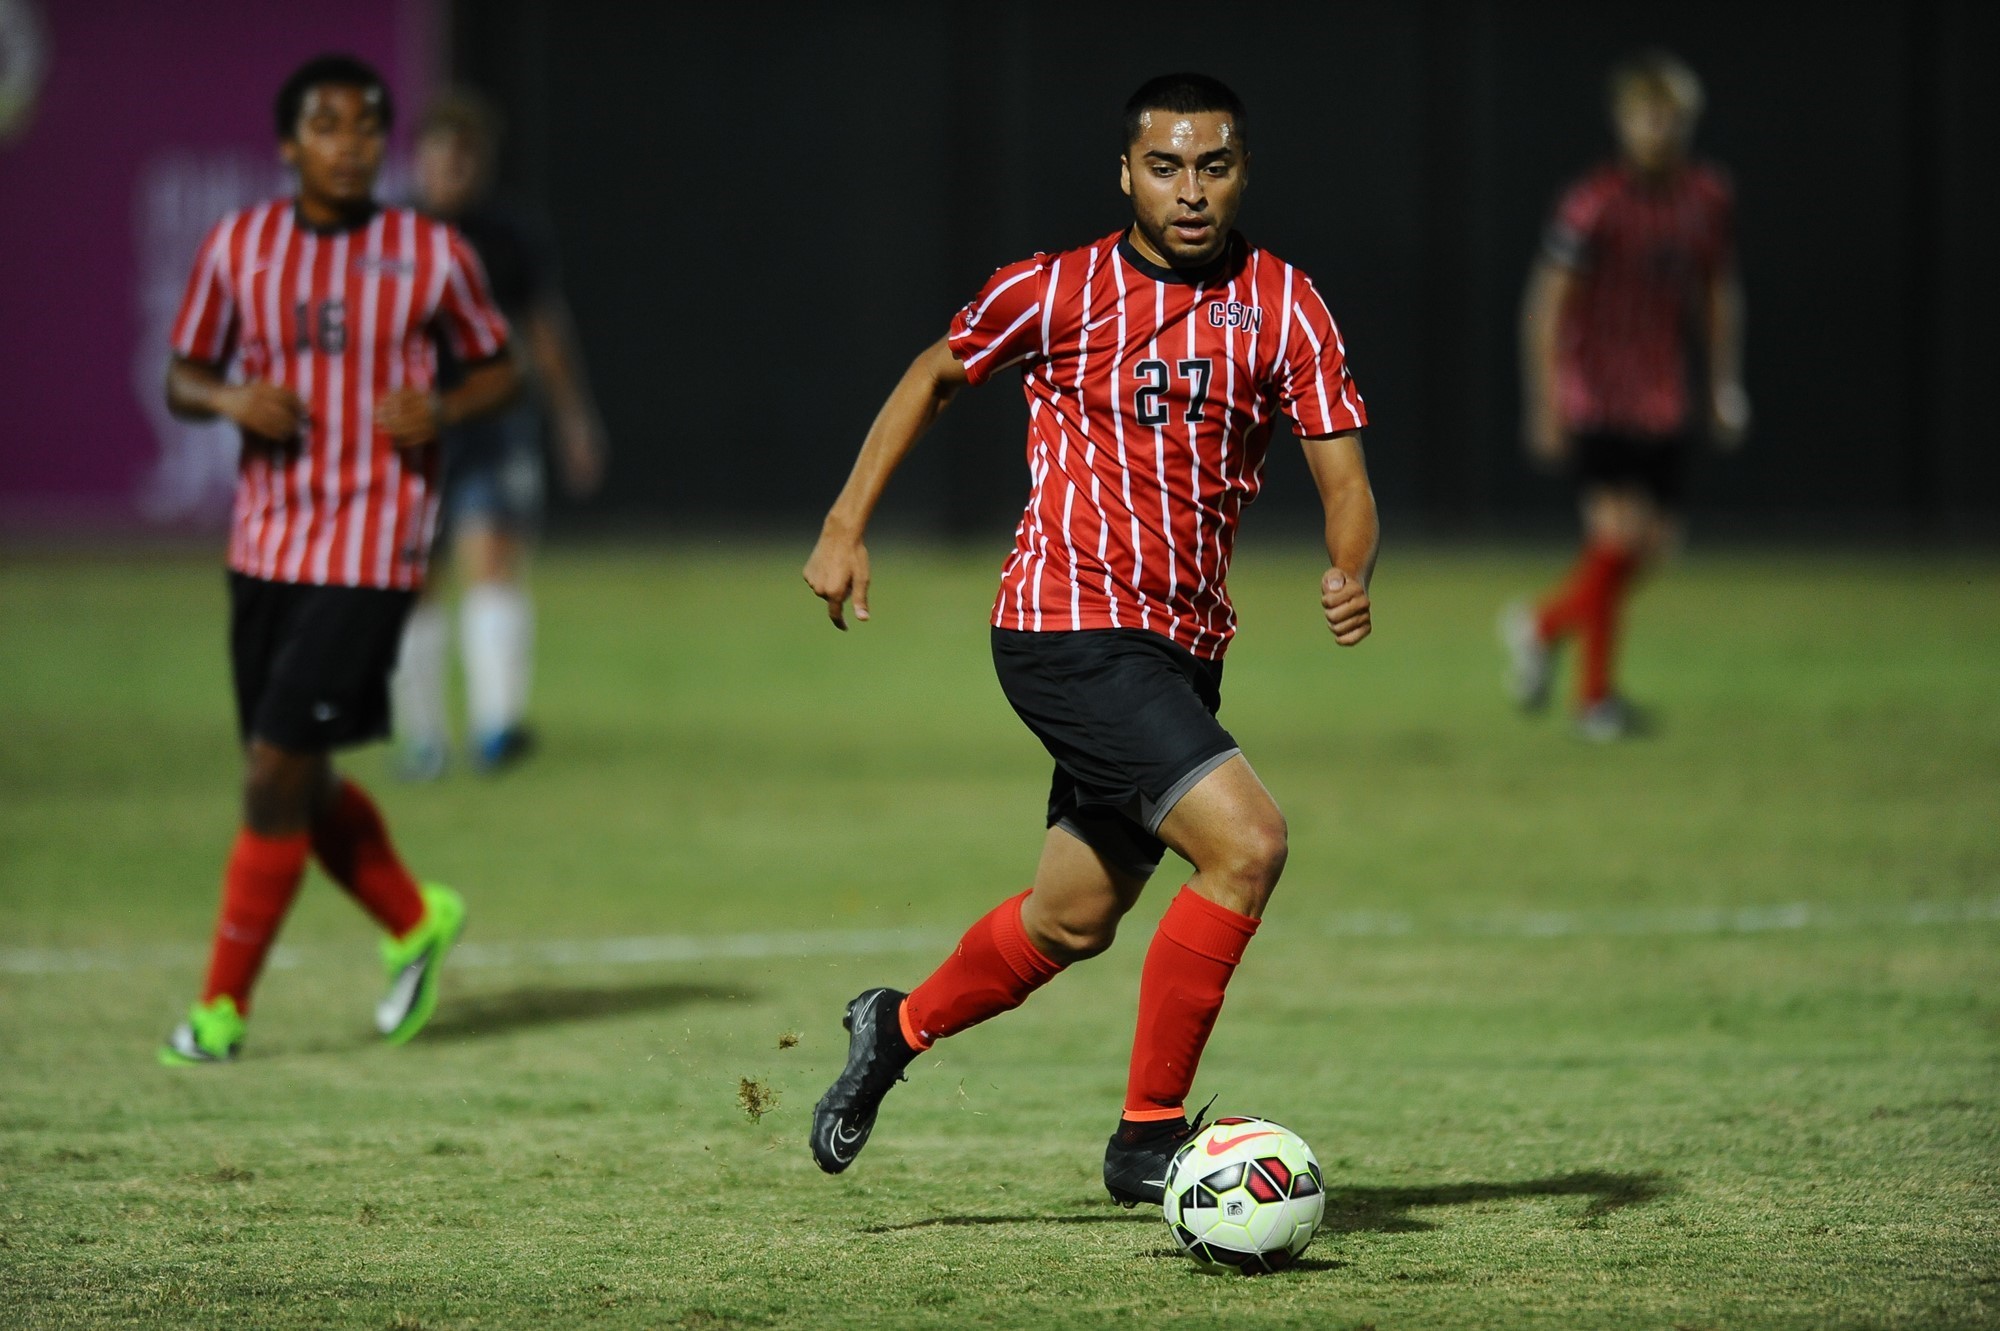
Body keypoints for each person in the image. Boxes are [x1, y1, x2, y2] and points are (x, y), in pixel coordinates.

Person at [801, 73, 1378, 1206]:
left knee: (1071, 916)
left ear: (1242, 171)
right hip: (1064, 625)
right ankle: (1146, 1138)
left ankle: (893, 1026)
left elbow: (1344, 475)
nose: (1189, 189)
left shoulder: (1284, 305)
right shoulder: (1057, 288)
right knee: (1248, 843)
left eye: (1212, 164)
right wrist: (842, 524)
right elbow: (935, 373)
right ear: (1125, 174)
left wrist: (1348, 566)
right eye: (1164, 166)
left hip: (1179, 648)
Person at [157, 54, 517, 1064]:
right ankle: (415, 916)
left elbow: (502, 369)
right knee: (291, 774)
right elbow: (184, 372)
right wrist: (232, 399)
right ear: (287, 144)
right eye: (327, 126)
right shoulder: (240, 248)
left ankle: (219, 1013)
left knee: (274, 768)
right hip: (264, 540)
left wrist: (441, 405)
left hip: (373, 543)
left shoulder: (430, 253)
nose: (350, 144)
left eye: (366, 126)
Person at [1505, 50, 1747, 740]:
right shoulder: (1593, 203)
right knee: (1616, 534)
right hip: (1600, 393)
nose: (1658, 129)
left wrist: (1724, 382)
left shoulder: (1707, 199)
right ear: (1623, 121)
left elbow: (1717, 292)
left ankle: (1542, 625)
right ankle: (1596, 701)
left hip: (1663, 394)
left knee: (1655, 546)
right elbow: (1547, 305)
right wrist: (1545, 399)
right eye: (1646, 115)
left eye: (1669, 116)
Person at [392, 90, 607, 778]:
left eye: (465, 157)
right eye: (441, 155)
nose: (452, 170)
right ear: (421, 159)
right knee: (411, 577)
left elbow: (545, 332)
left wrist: (574, 417)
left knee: (490, 560)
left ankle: (495, 726)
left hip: (492, 420)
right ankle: (424, 738)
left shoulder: (510, 233)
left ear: (481, 164)